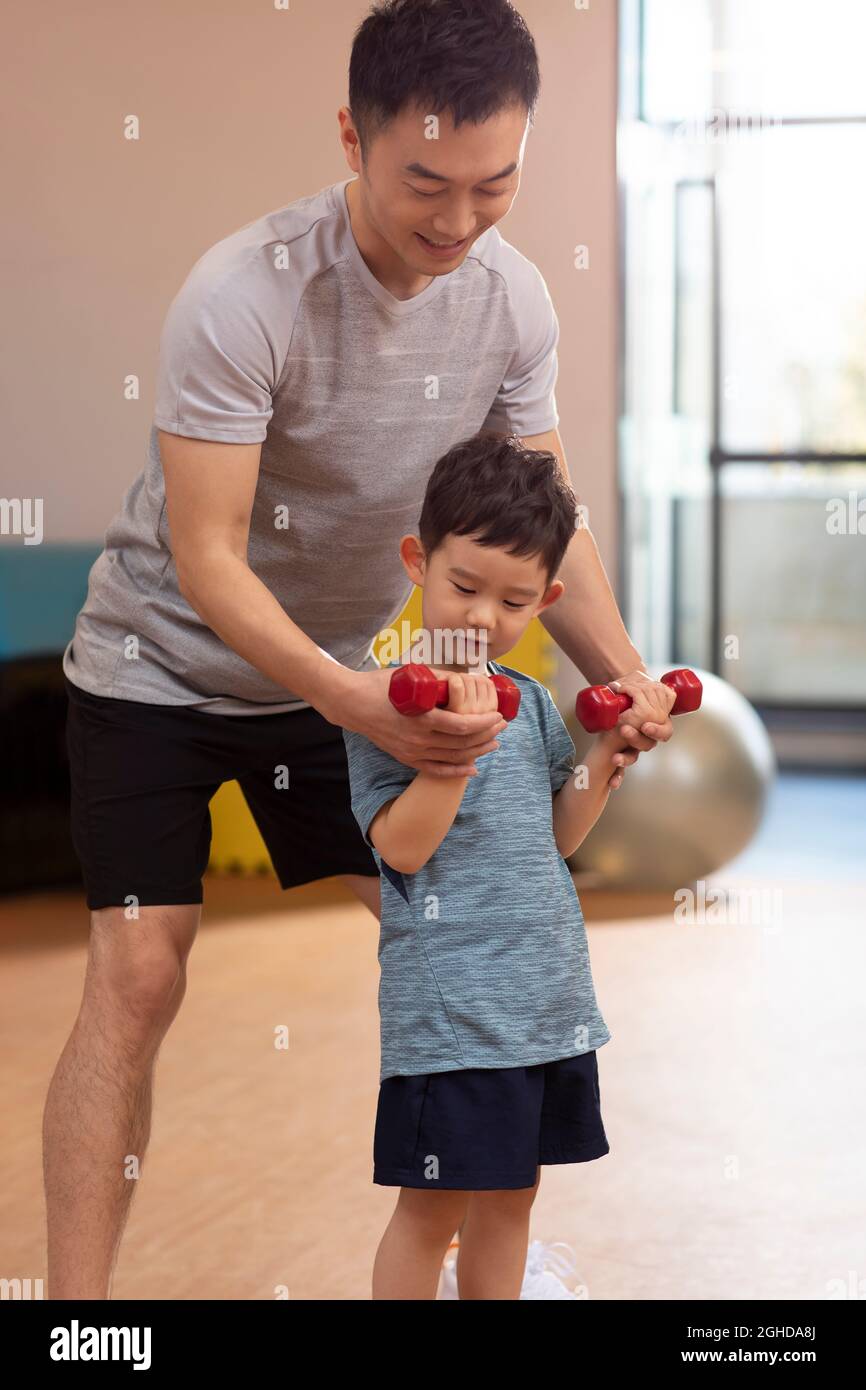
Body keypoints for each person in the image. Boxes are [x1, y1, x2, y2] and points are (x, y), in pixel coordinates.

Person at [45, 0, 674, 1299]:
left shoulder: (510, 302)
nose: (456, 222)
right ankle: (75, 1312)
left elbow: (541, 529)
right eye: (424, 186)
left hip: (334, 677)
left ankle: (491, 1228)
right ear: (352, 135)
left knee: (463, 910)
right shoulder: (244, 291)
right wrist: (364, 707)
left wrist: (622, 680)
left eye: (493, 186)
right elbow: (214, 560)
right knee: (140, 966)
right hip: (159, 673)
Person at [343, 433, 673, 1300]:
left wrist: (600, 762)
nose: (484, 616)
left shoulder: (524, 703)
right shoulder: (386, 702)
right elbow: (403, 848)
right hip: (455, 1018)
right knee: (432, 1209)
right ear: (419, 562)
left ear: (548, 600)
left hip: (543, 1004)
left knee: (513, 1196)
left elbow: (555, 838)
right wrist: (453, 752)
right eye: (463, 587)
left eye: (515, 600)